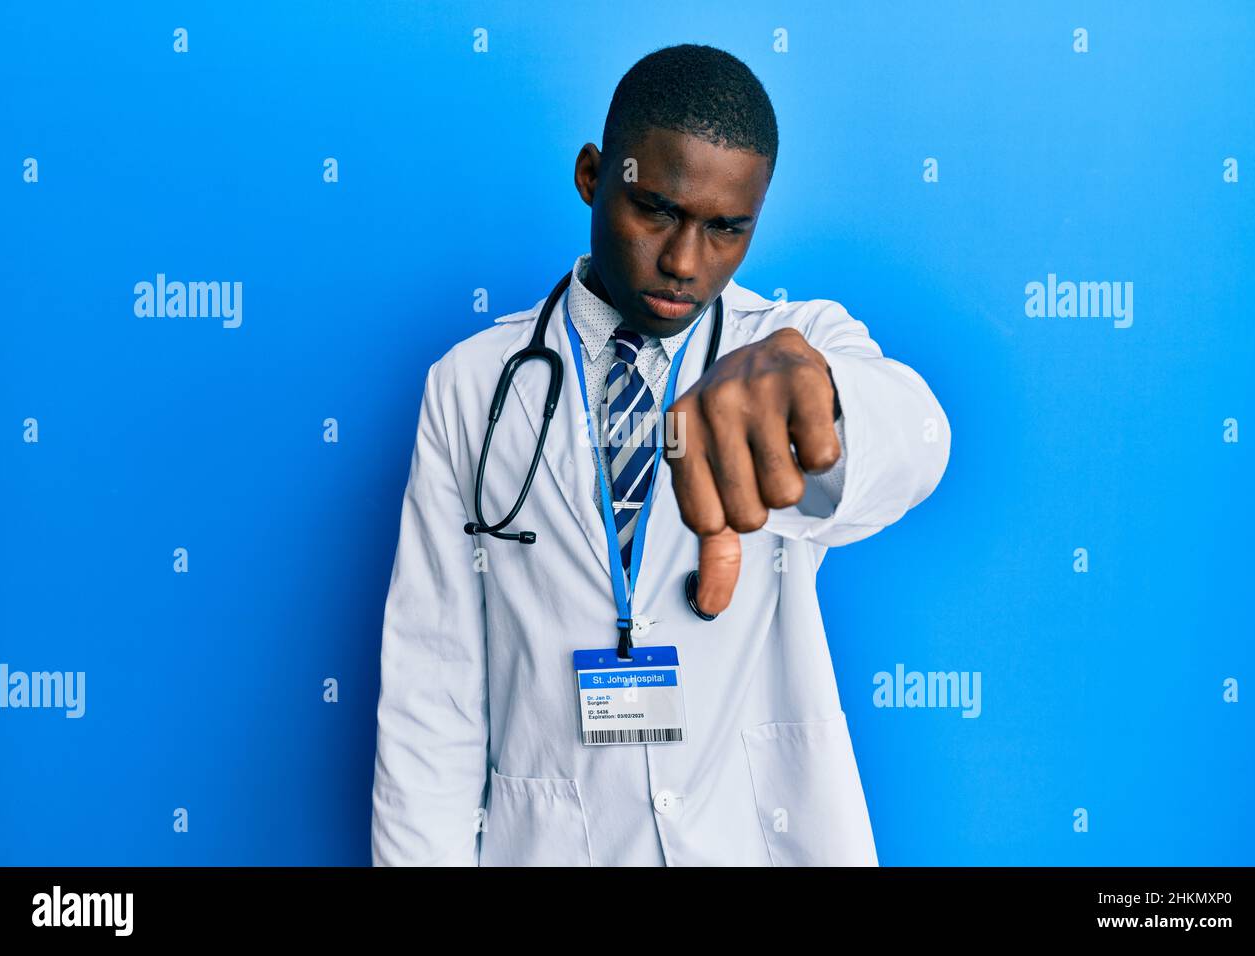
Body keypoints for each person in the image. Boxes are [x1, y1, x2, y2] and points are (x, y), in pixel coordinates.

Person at [371, 43, 950, 866]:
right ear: (591, 175)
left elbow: (918, 441)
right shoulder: (471, 385)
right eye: (654, 210)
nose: (685, 263)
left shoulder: (793, 346)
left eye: (726, 229)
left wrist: (819, 390)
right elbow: (434, 688)